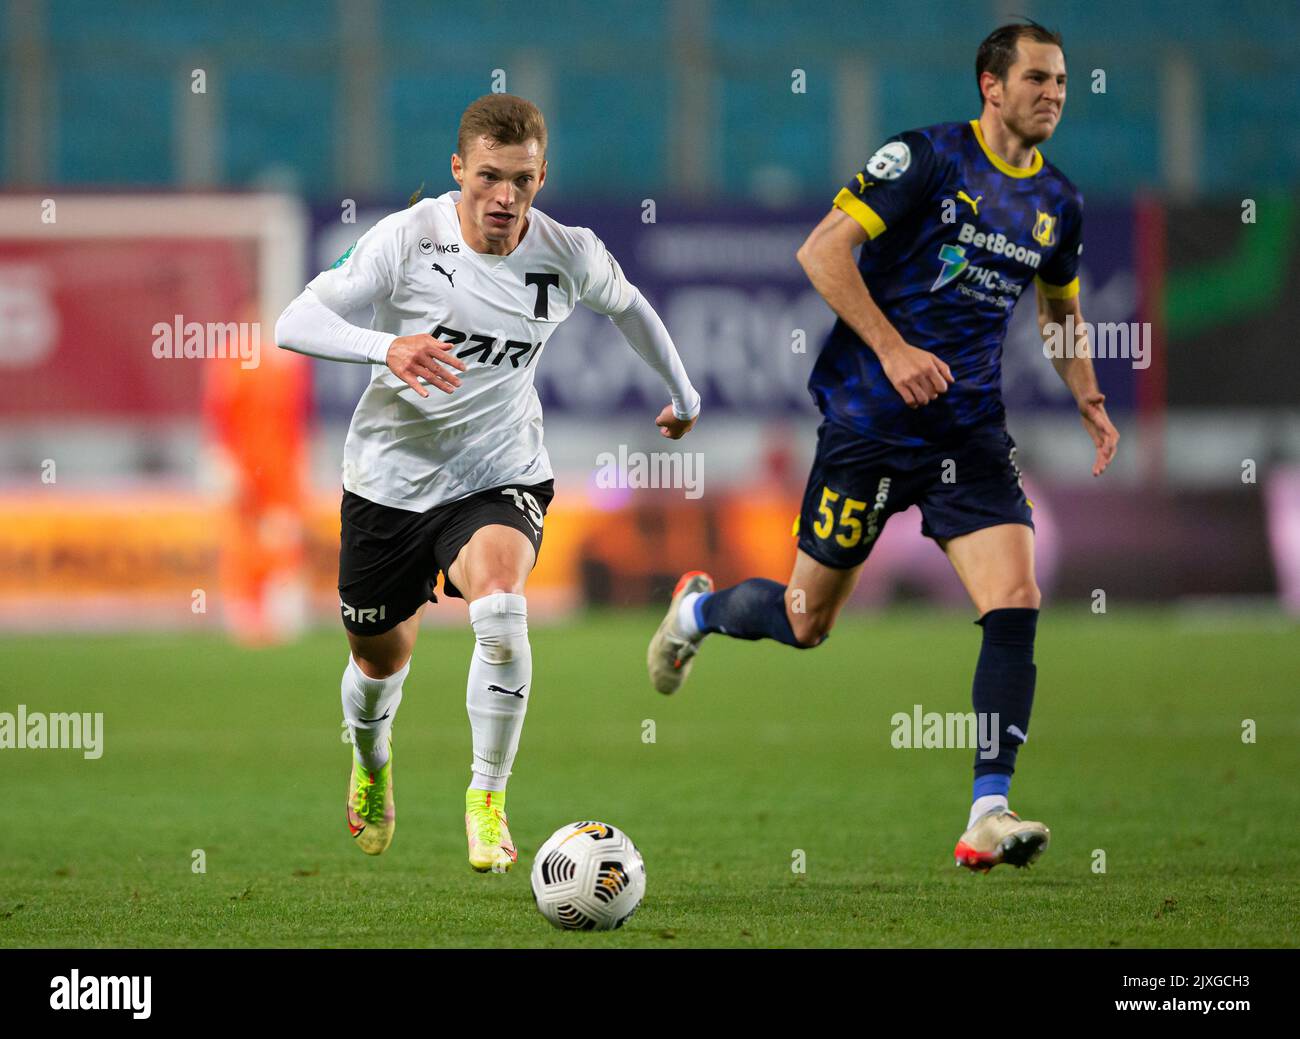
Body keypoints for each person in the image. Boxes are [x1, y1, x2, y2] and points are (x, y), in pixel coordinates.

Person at [647, 21, 1118, 872]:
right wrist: (893, 349)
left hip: (968, 429)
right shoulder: (926, 159)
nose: (1054, 93)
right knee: (805, 621)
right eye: (1039, 78)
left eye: (1062, 81)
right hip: (869, 425)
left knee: (1015, 597)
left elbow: (1057, 307)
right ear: (991, 85)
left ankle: (987, 808)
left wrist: (1085, 390)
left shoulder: (1060, 202)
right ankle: (698, 613)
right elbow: (822, 251)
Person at [277, 94, 700, 873]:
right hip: (388, 482)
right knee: (376, 664)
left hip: (499, 472)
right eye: (488, 178)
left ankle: (487, 796)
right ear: (457, 171)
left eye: (523, 179)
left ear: (543, 175)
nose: (505, 197)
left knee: (501, 609)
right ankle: (372, 761)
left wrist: (684, 389)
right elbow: (293, 321)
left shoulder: (567, 251)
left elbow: (630, 307)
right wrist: (385, 348)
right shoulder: (406, 238)